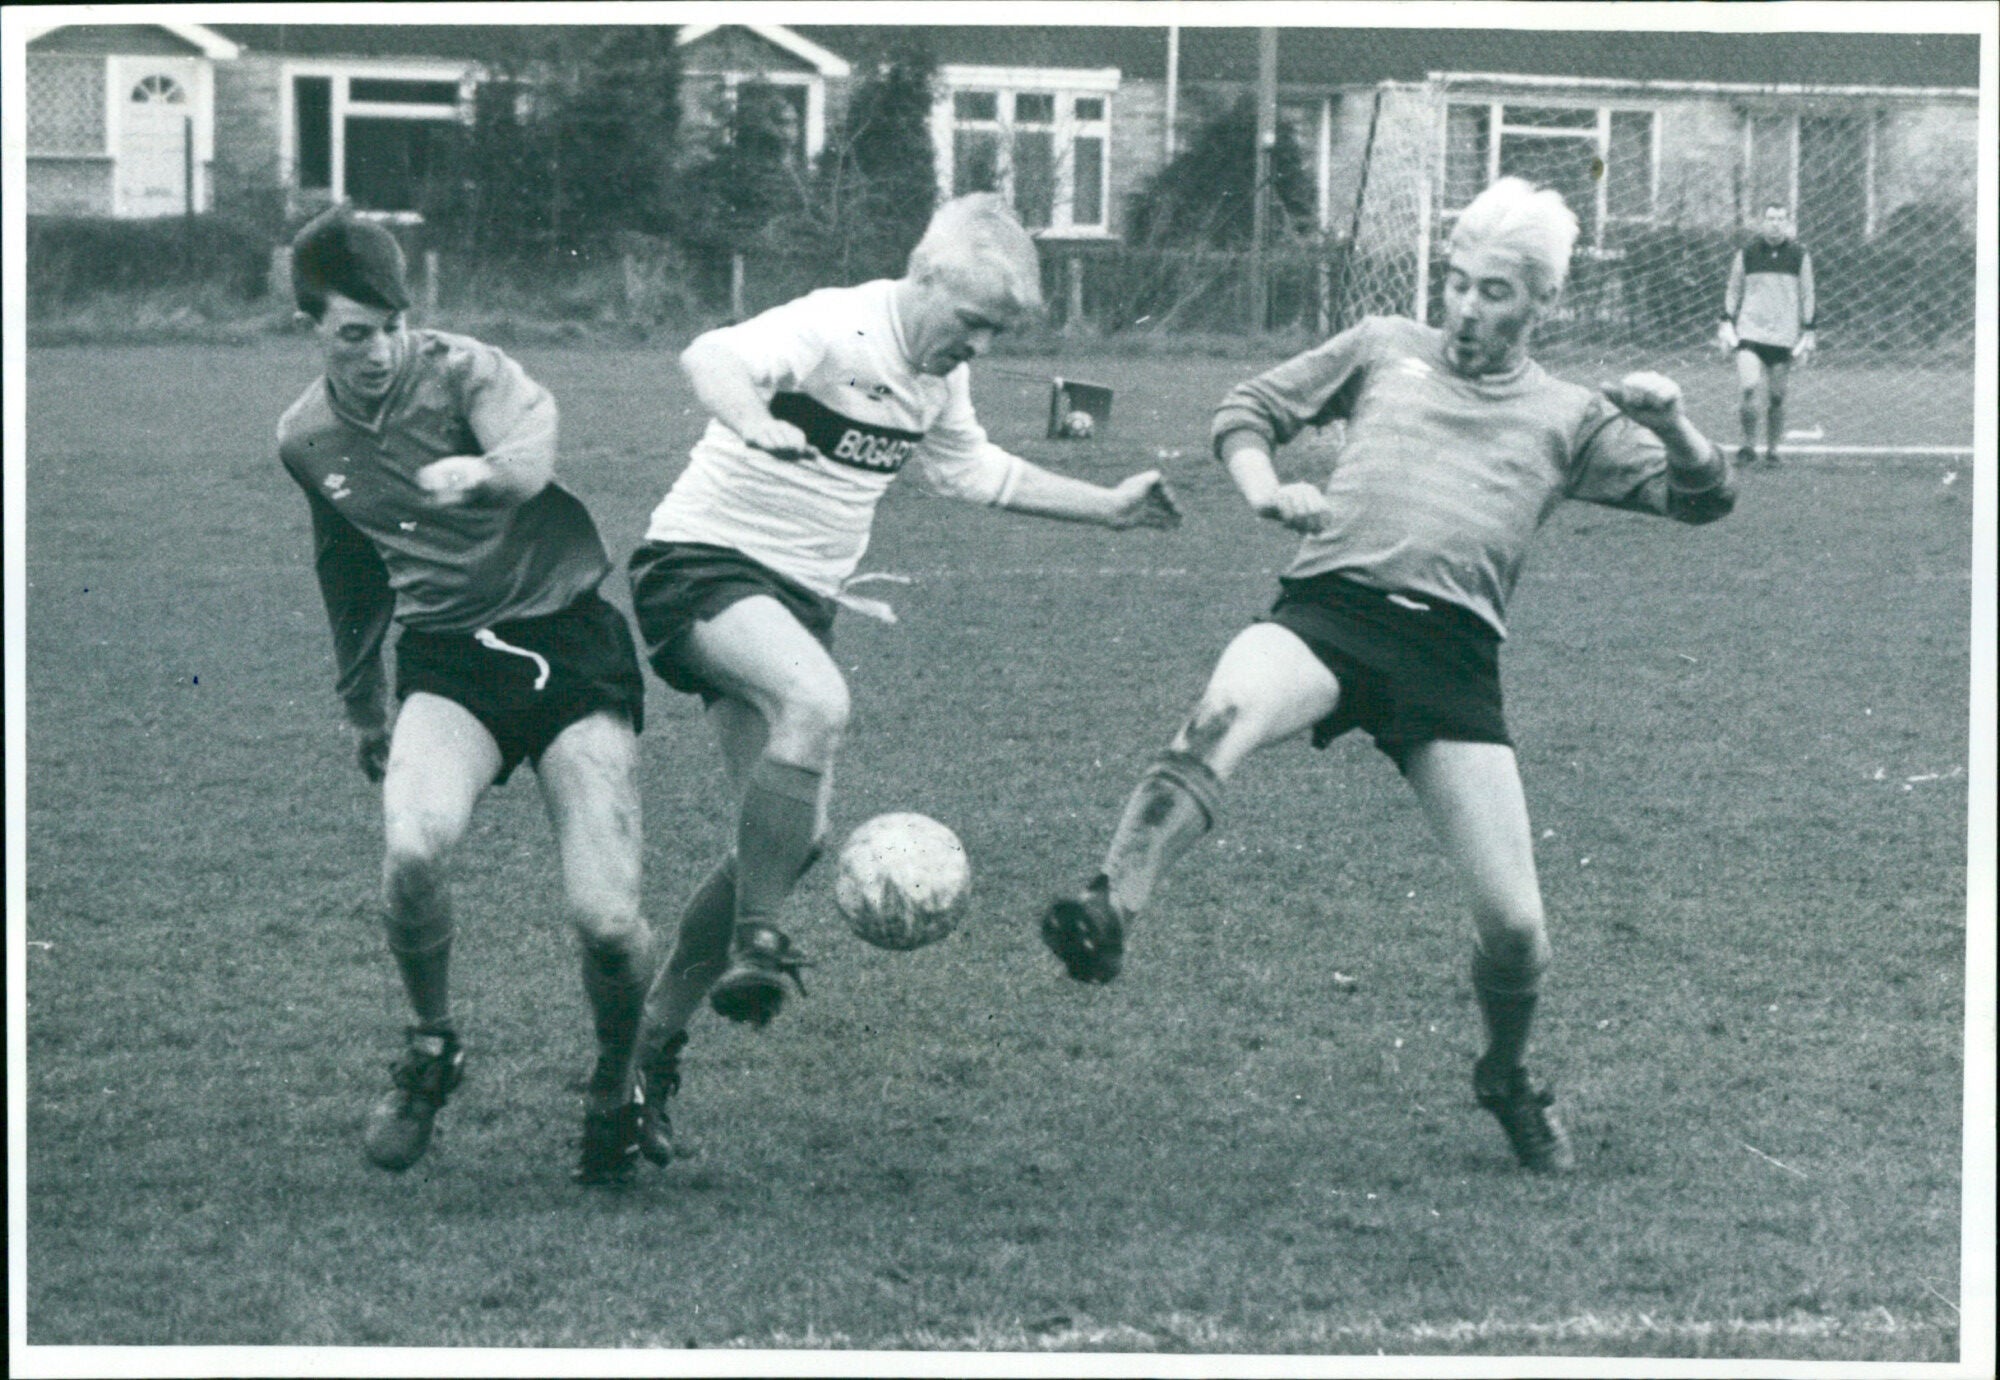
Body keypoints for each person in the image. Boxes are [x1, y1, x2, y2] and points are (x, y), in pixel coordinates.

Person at [1039, 177, 1738, 1175]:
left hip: (1450, 659)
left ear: (1542, 300)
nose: (1465, 309)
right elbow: (1246, 410)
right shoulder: (1382, 346)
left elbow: (1703, 499)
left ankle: (1503, 1075)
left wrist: (1672, 424)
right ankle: (1110, 904)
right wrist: (1265, 490)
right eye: (1455, 282)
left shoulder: (1569, 416)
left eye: (1493, 292)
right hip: (1329, 612)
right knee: (1222, 713)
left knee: (1516, 931)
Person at [627, 193, 1182, 1163]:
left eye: (995, 334)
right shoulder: (836, 326)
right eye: (970, 321)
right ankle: (757, 943)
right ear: (922, 277)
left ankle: (641, 1056)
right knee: (816, 703)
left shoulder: (935, 380)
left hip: (794, 604)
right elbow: (709, 356)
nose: (977, 347)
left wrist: (1107, 507)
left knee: (792, 844)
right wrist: (754, 421)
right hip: (700, 565)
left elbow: (975, 473)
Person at [278, 208, 656, 1184]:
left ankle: (618, 1085)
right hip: (449, 660)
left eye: (391, 326)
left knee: (608, 924)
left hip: (568, 645)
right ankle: (431, 1047)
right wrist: (365, 706)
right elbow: (347, 569)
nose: (378, 352)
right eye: (352, 334)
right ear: (310, 326)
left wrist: (479, 477)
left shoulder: (463, 371)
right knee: (411, 849)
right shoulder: (306, 437)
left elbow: (531, 458)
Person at [1719, 204, 1816, 468]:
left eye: (1780, 219)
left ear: (1787, 223)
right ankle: (1748, 446)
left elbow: (1808, 293)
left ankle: (1773, 451)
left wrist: (1809, 330)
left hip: (1784, 335)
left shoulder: (1799, 255)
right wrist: (1726, 321)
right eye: (1771, 218)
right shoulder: (1747, 253)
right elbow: (1733, 289)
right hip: (1750, 332)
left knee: (1777, 396)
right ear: (1763, 223)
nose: (1775, 223)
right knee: (1749, 387)